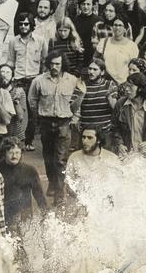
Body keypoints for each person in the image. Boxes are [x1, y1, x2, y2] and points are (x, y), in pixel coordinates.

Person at [28, 50, 84, 203]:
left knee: (60, 159)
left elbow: (77, 100)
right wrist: (39, 116)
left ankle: (60, 193)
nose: (54, 67)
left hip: (64, 123)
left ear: (63, 64)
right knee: (48, 157)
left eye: (58, 64)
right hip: (46, 122)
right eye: (52, 64)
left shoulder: (72, 80)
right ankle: (53, 183)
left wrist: (75, 118)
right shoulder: (38, 81)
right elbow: (32, 101)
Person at [7, 11, 48, 151]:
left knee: (32, 112)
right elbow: (11, 62)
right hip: (18, 80)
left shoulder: (40, 40)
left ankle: (29, 141)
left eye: (26, 24)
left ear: (31, 25)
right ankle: (18, 140)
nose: (23, 27)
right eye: (21, 24)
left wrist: (42, 79)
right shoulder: (13, 41)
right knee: (19, 111)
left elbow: (44, 61)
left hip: (34, 79)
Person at [110, 72, 146, 159]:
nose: (126, 89)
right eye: (126, 86)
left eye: (130, 86)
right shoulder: (120, 104)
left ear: (141, 89)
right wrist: (120, 144)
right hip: (127, 154)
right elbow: (115, 128)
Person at [0, 136, 47, 229]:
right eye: (10, 152)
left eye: (17, 152)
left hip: (25, 216)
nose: (14, 156)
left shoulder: (29, 170)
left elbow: (39, 194)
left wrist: (45, 213)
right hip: (5, 216)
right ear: (4, 153)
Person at [65, 125, 121, 193]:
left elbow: (118, 186)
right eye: (83, 137)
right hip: (81, 200)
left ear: (98, 140)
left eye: (90, 138)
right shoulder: (74, 157)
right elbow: (69, 186)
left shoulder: (112, 158)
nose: (85, 141)